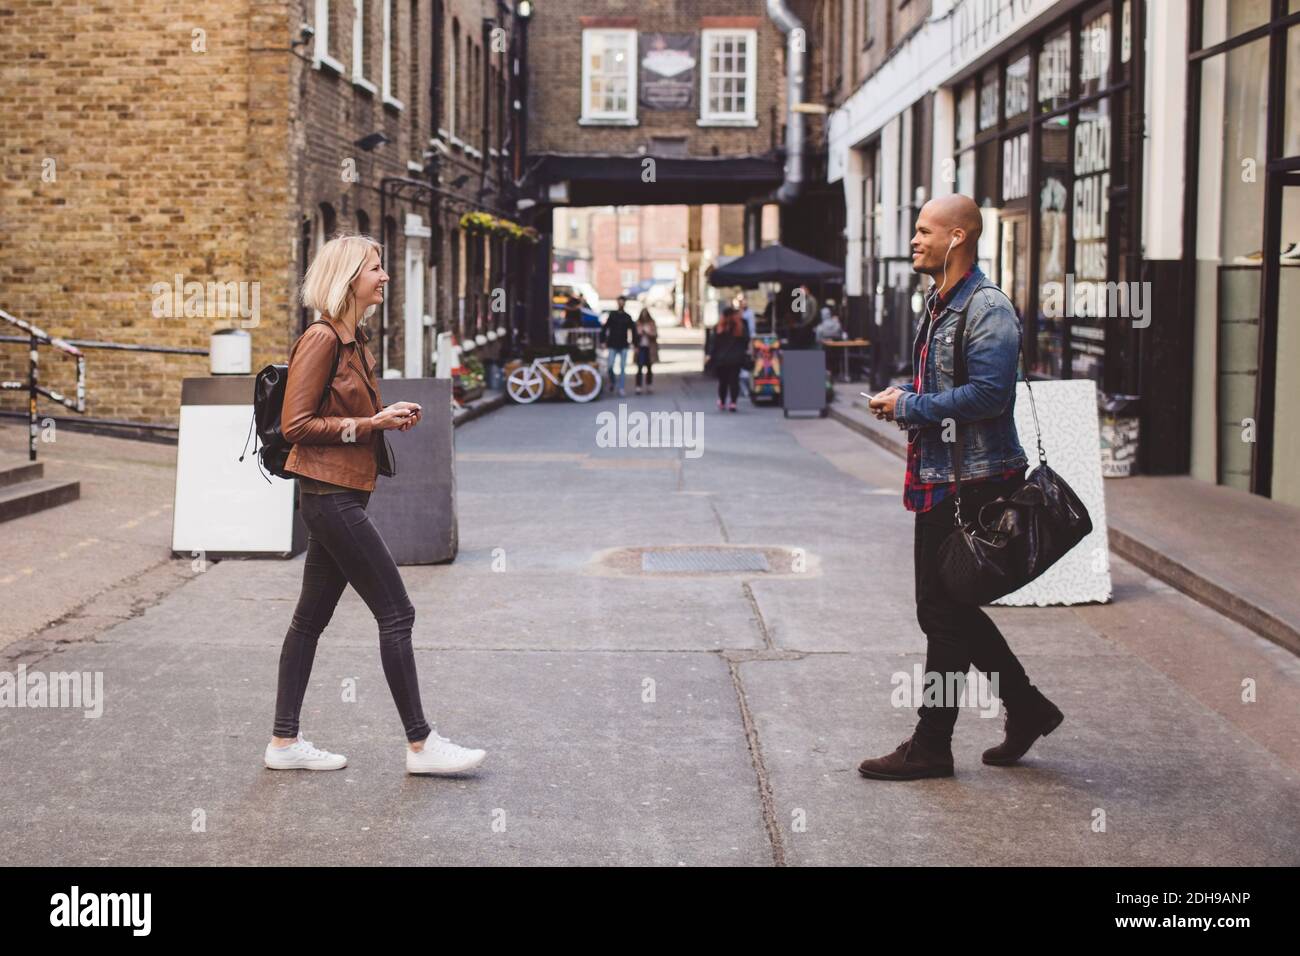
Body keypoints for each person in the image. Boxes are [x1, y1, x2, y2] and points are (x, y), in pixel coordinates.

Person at [859, 194, 1062, 781]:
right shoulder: (940, 303)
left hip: (974, 482)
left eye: (925, 231)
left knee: (943, 614)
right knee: (946, 611)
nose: (915, 240)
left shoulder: (988, 307)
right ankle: (1025, 708)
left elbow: (990, 396)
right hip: (942, 477)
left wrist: (911, 406)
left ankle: (933, 745)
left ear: (957, 238)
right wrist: (906, 396)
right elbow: (947, 383)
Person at [267, 234, 486, 776]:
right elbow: (296, 426)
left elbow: (345, 410)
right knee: (397, 612)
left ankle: (283, 742)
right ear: (348, 279)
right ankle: (421, 745)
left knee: (309, 621)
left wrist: (387, 413)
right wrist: (370, 424)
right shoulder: (320, 339)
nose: (384, 277)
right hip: (329, 498)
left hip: (340, 495)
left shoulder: (356, 340)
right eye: (375, 268)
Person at [706, 305, 750, 412]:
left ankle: (722, 401)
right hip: (736, 359)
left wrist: (709, 356)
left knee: (723, 382)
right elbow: (746, 340)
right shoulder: (741, 326)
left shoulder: (719, 327)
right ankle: (733, 403)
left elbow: (713, 343)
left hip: (721, 359)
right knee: (734, 381)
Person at [600, 294, 637, 397]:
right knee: (610, 366)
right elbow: (605, 328)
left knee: (622, 368)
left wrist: (634, 343)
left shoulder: (627, 317)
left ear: (625, 303)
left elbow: (633, 331)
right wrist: (602, 341)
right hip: (612, 344)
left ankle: (621, 387)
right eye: (619, 301)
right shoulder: (612, 315)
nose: (621, 303)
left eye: (622, 302)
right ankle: (612, 382)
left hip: (623, 345)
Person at [634, 306, 659, 395]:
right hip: (641, 347)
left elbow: (655, 335)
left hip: (649, 348)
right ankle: (638, 386)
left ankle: (649, 384)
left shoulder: (652, 323)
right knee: (639, 367)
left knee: (649, 367)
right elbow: (634, 336)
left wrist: (648, 333)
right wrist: (639, 333)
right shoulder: (638, 323)